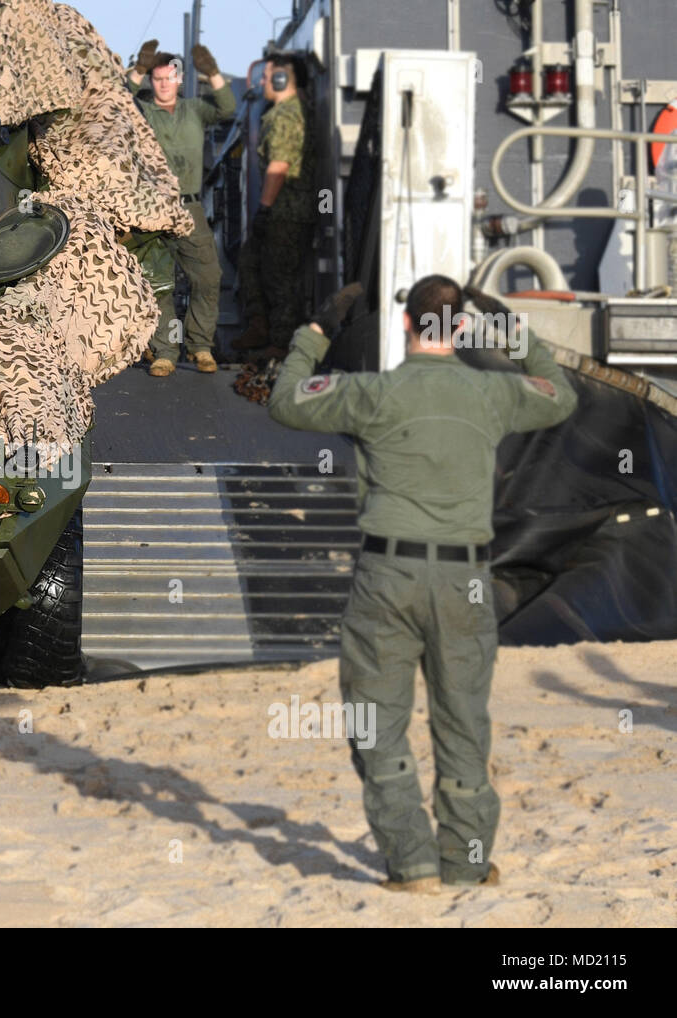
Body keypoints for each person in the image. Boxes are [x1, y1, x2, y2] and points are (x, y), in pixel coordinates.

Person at [268, 276, 578, 892]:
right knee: (463, 719)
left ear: (406, 325)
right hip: (466, 577)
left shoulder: (371, 393)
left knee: (374, 721)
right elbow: (560, 395)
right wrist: (513, 332)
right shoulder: (493, 394)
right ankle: (465, 862)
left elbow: (285, 398)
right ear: (460, 329)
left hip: (388, 572)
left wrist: (318, 328)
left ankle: (410, 861)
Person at [128, 41, 236, 377]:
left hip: (189, 209)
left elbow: (228, 107)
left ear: (179, 79)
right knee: (160, 284)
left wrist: (214, 71)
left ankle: (200, 346)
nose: (162, 84)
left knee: (207, 277)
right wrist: (139, 70)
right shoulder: (142, 110)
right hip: (153, 209)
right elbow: (115, 102)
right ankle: (165, 351)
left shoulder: (194, 109)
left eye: (168, 77)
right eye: (156, 78)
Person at [236, 54, 315, 361]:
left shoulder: (285, 115)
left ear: (282, 79)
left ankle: (281, 346)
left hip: (286, 212)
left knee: (280, 278)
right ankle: (261, 327)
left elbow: (278, 166)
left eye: (267, 76)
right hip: (286, 211)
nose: (261, 82)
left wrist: (264, 209)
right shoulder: (285, 112)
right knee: (252, 262)